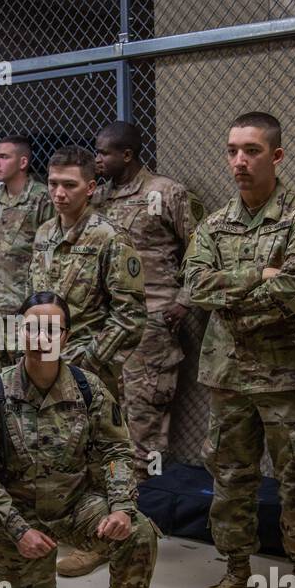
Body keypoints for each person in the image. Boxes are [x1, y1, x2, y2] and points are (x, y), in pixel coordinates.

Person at [183, 112, 295, 588]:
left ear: (277, 156)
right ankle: (235, 574)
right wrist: (256, 275)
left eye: (250, 150)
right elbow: (194, 288)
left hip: (288, 382)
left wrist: (235, 295)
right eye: (231, 150)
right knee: (230, 481)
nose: (238, 161)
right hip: (227, 379)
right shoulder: (213, 224)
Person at [0, 291, 166, 588]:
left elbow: (116, 453)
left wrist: (122, 507)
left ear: (66, 337)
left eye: (51, 330)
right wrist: (17, 531)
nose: (41, 338)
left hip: (75, 508)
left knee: (139, 532)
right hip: (18, 518)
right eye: (32, 328)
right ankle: (6, 564)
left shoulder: (88, 389)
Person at [93, 120, 205, 481]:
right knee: (109, 410)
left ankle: (145, 503)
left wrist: (184, 299)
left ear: (127, 155)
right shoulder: (101, 198)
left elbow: (202, 248)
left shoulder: (166, 192)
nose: (98, 159)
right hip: (109, 323)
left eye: (104, 153)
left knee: (145, 415)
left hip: (151, 323)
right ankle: (114, 494)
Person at [27, 145, 146, 402]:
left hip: (88, 373)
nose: (59, 193)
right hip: (41, 362)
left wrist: (89, 361)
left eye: (70, 185)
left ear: (90, 188)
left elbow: (130, 316)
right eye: (53, 183)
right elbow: (32, 298)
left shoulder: (110, 237)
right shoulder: (44, 233)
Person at [0, 135, 53, 337]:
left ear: (23, 162)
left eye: (4, 157)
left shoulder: (41, 197)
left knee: (23, 366)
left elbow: (48, 255)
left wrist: (40, 304)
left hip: (25, 304)